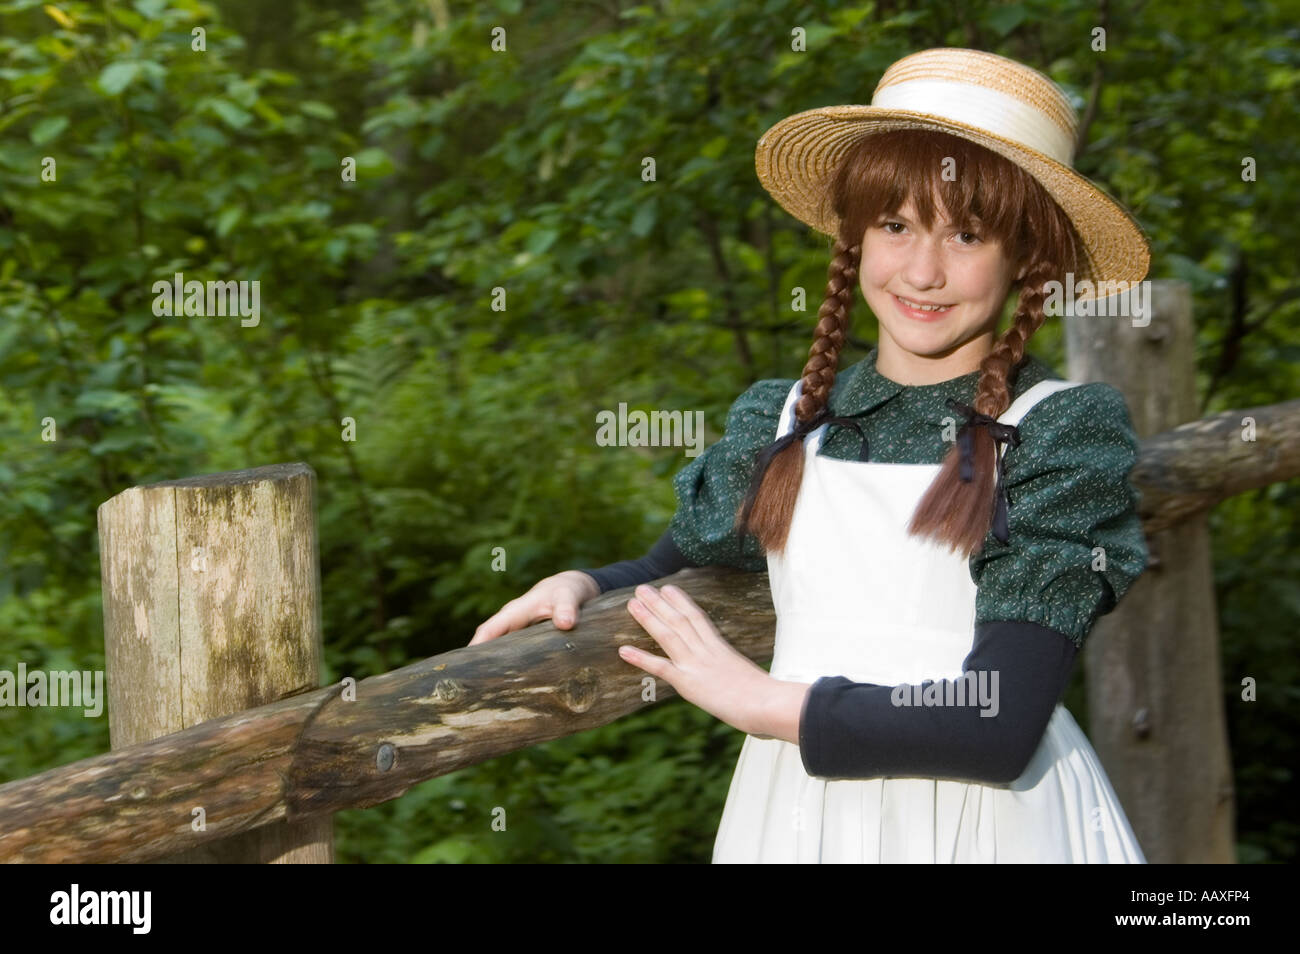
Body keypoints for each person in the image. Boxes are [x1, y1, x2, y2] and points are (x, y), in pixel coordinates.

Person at [470, 48, 1151, 863]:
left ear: (1027, 260)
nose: (924, 272)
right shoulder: (787, 419)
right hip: (798, 820)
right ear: (855, 234)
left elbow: (996, 725)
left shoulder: (1058, 432)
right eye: (896, 225)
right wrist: (586, 583)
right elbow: (679, 562)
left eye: (968, 235)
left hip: (990, 826)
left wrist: (757, 702)